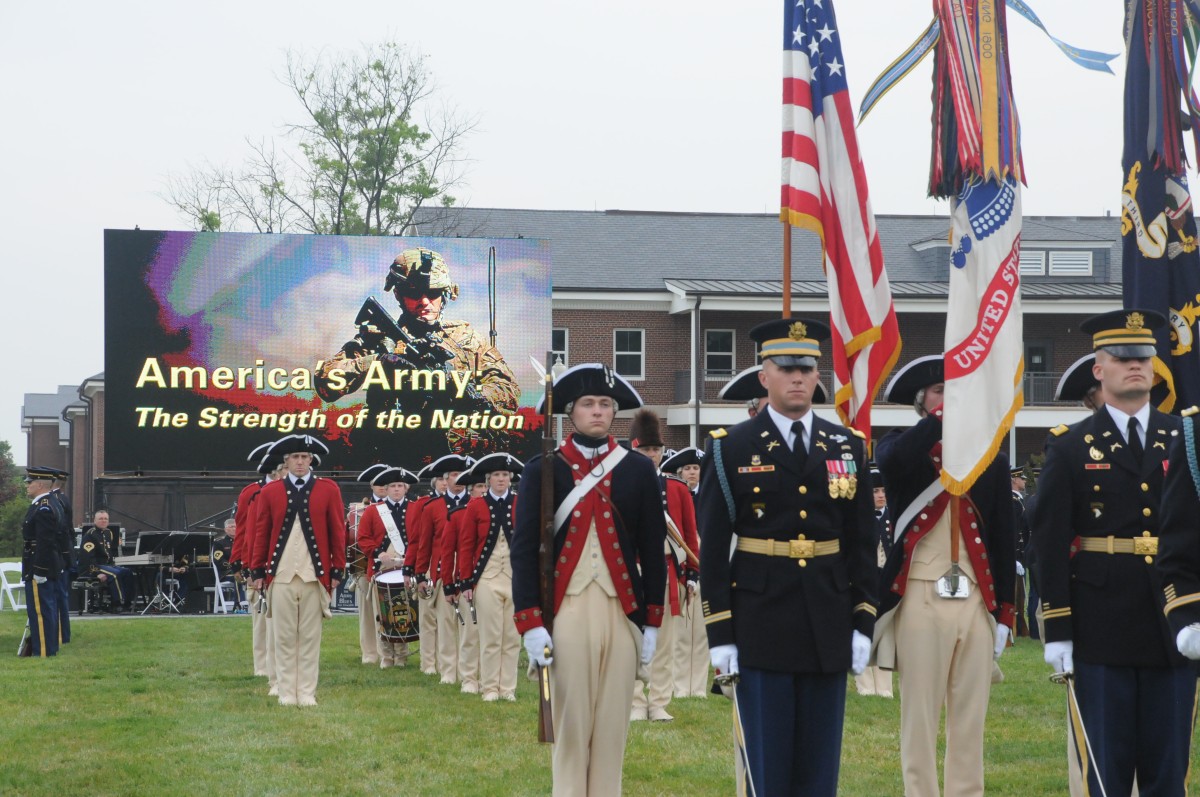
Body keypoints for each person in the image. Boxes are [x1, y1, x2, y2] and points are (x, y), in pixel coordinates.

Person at [698, 319, 875, 797]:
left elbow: (862, 542)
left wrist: (863, 621)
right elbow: (712, 550)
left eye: (808, 368)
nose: (798, 378)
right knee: (767, 766)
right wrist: (720, 634)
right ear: (764, 376)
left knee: (820, 769)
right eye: (786, 368)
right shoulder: (730, 447)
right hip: (761, 621)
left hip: (828, 618)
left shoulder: (847, 445)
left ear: (819, 376)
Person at [1033, 309, 1193, 796]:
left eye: (1144, 356)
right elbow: (1049, 542)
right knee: (1107, 768)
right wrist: (1056, 628)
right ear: (1098, 369)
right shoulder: (1070, 445)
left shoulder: (1184, 437)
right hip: (1101, 623)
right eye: (1122, 358)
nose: (1136, 366)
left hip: (1172, 621)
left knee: (1169, 768)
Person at [512, 363, 667, 797]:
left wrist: (651, 619)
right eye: (587, 404)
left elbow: (653, 551)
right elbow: (524, 551)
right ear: (571, 412)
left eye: (604, 404)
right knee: (572, 727)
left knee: (613, 728)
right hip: (567, 612)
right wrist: (530, 621)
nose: (597, 411)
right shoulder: (543, 469)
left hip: (622, 612)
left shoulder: (638, 469)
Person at [314, 247, 520, 460]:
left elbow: (509, 393)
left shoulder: (467, 339)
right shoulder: (380, 339)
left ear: (446, 294)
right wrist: (378, 362)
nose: (424, 301)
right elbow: (325, 384)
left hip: (460, 463)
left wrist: (465, 390)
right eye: (413, 293)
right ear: (398, 295)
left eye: (433, 293)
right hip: (395, 462)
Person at [250, 434, 347, 707]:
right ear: (286, 461)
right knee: (282, 637)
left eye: (305, 457)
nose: (301, 462)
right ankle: (285, 691)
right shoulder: (269, 492)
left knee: (310, 638)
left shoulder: (329, 490)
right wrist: (257, 570)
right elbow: (262, 533)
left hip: (313, 577)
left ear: (311, 461)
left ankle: (306, 692)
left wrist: (337, 568)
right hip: (280, 576)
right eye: (295, 457)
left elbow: (337, 531)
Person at [629, 409, 699, 722]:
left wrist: (692, 577)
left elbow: (689, 536)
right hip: (632, 572)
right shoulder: (622, 486)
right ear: (635, 449)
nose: (652, 455)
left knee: (666, 643)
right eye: (646, 450)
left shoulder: (677, 489)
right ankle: (633, 702)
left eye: (656, 449)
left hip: (670, 573)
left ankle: (658, 702)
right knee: (631, 641)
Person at [457, 453, 523, 702]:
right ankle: (489, 687)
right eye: (496, 475)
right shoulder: (476, 505)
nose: (501, 479)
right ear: (488, 479)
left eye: (505, 475)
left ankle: (507, 688)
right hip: (486, 578)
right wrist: (466, 582)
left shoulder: (521, 501)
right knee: (490, 635)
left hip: (514, 577)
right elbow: (466, 546)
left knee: (512, 636)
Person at [355, 465, 419, 668]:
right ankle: (386, 656)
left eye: (400, 485)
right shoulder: (373, 511)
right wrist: (377, 553)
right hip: (381, 568)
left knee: (404, 611)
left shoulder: (415, 508)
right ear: (387, 489)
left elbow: (420, 537)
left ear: (405, 488)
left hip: (407, 567)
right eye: (393, 486)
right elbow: (363, 538)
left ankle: (401, 655)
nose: (397, 489)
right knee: (381, 613)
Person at [660, 446, 710, 699]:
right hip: (682, 563)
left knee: (700, 632)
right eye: (687, 469)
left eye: (696, 468)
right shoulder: (672, 494)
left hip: (706, 562)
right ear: (679, 472)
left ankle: (697, 687)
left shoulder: (710, 495)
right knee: (679, 632)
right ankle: (679, 686)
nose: (692, 473)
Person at [234, 442, 284, 685]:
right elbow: (244, 530)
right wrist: (242, 563)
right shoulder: (252, 492)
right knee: (261, 618)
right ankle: (262, 666)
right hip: (257, 562)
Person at [403, 468, 448, 676]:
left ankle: (447, 663)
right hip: (430, 569)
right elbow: (416, 540)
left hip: (452, 570)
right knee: (428, 619)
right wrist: (412, 570)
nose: (445, 483)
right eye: (441, 479)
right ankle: (428, 663)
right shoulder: (423, 505)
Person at [854, 462, 893, 698]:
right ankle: (866, 685)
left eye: (883, 491)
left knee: (885, 632)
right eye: (875, 491)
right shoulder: (860, 518)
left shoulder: (894, 516)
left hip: (886, 578)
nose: (880, 496)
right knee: (864, 626)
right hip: (866, 578)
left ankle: (885, 685)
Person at [350, 463, 390, 666]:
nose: (383, 486)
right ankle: (370, 653)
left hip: (394, 567)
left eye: (387, 482)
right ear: (372, 485)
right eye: (379, 483)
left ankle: (394, 651)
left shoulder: (398, 505)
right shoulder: (360, 509)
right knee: (367, 613)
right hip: (366, 566)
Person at [21, 467, 62, 657]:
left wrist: (39, 570)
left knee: (40, 611)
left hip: (40, 564)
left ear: (39, 485)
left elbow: (45, 541)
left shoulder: (44, 507)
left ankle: (43, 651)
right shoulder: (48, 502)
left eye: (30, 483)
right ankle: (47, 649)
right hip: (44, 562)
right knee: (47, 608)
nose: (27, 486)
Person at [78, 510, 136, 613]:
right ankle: (117, 604)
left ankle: (128, 602)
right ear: (94, 521)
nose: (103, 521)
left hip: (107, 565)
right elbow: (87, 557)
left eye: (105, 519)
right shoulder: (90, 535)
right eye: (100, 519)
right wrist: (97, 573)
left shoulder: (109, 533)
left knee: (127, 572)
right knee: (115, 574)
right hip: (93, 567)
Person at [47, 469, 72, 645]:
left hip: (58, 553)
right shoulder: (63, 499)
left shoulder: (54, 501)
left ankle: (59, 634)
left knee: (57, 594)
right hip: (65, 552)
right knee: (61, 594)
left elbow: (62, 530)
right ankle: (63, 634)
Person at [212, 518, 242, 610]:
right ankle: (237, 605)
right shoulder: (219, 543)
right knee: (237, 577)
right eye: (231, 526)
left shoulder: (242, 541)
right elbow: (219, 560)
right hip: (226, 572)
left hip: (242, 569)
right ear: (225, 529)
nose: (234, 528)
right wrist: (234, 567)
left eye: (236, 526)